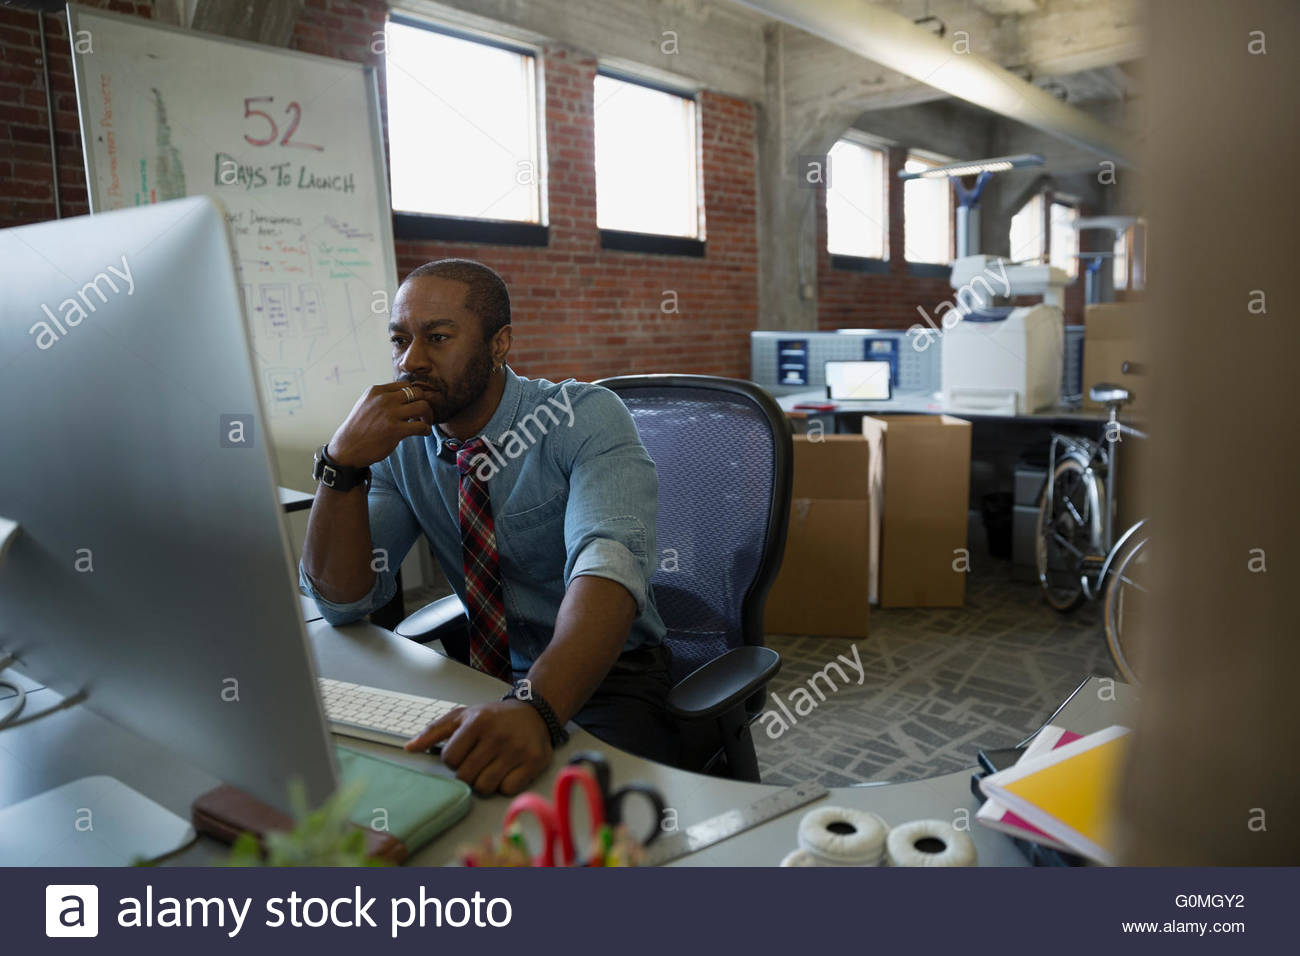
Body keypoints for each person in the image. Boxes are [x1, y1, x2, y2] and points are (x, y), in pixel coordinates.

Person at [300, 258, 678, 795]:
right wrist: (340, 465)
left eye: (437, 337)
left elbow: (608, 565)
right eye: (399, 340)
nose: (412, 361)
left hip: (610, 677)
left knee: (586, 825)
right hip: (485, 676)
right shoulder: (402, 443)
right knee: (401, 792)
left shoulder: (582, 417)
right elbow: (343, 602)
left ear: (499, 344)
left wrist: (535, 707)